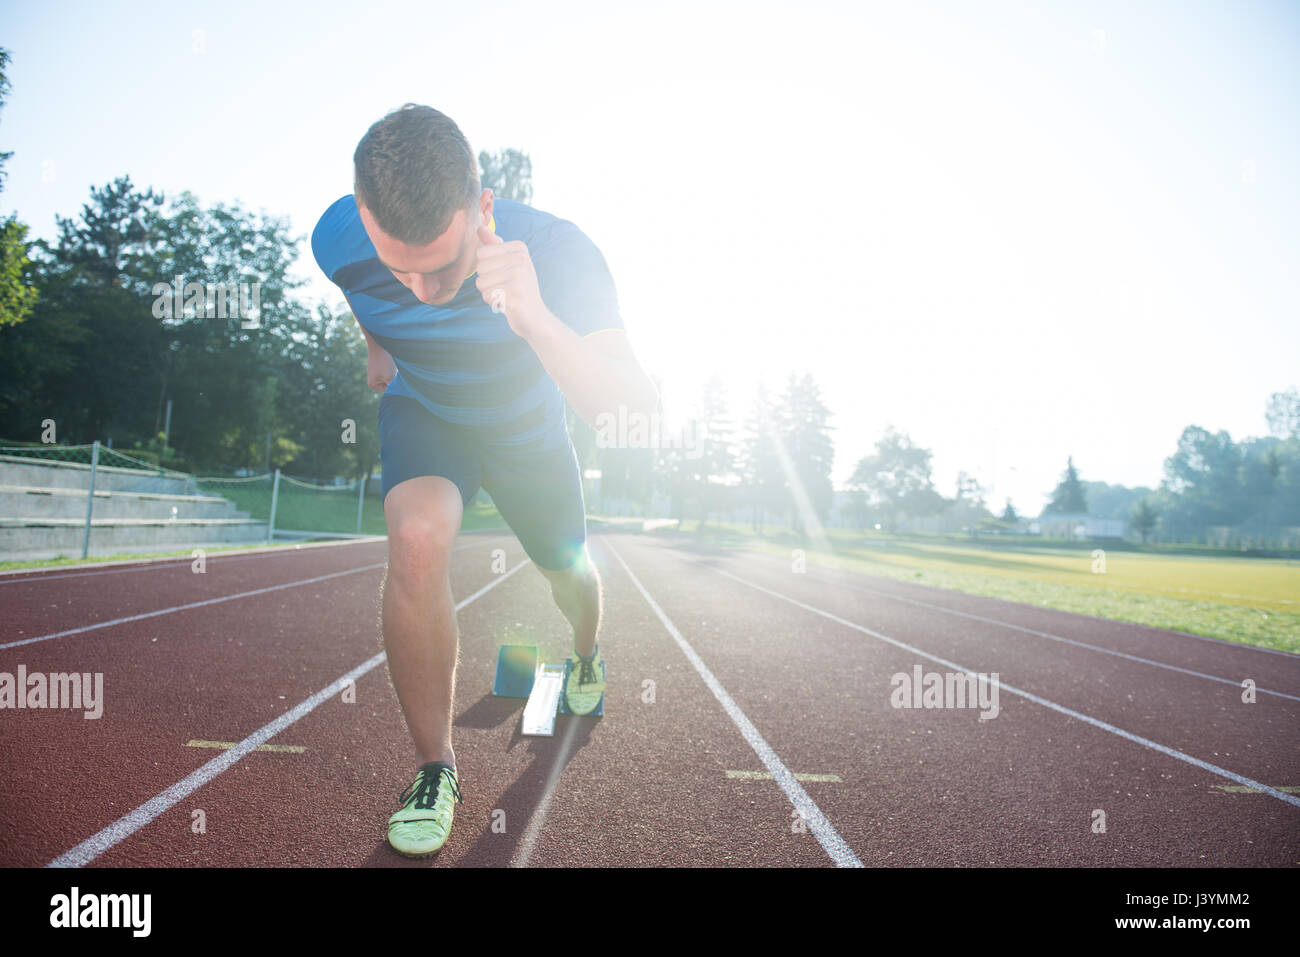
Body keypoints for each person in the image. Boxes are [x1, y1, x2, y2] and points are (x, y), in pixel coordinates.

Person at [311, 104, 657, 857]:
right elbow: (355, 285)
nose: (422, 288)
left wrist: (533, 317)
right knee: (415, 536)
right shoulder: (336, 236)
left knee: (570, 574)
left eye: (442, 266)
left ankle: (589, 653)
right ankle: (436, 766)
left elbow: (635, 415)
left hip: (526, 431)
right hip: (428, 410)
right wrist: (377, 348)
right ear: (363, 217)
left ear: (484, 211)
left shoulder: (561, 254)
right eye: (399, 266)